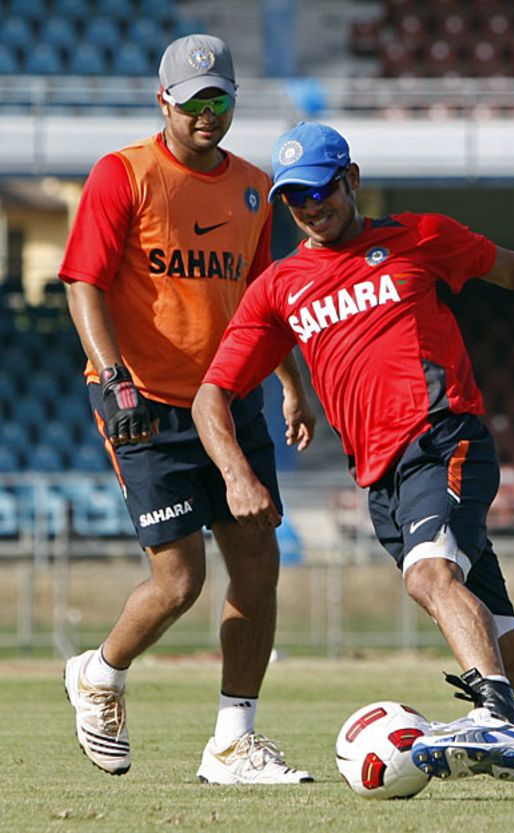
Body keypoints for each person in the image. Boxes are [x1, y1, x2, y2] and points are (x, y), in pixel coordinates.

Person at [191, 121, 514, 789]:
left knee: (429, 576)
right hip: (381, 482)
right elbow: (212, 396)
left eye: (321, 189)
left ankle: (495, 716)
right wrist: (236, 474)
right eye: (295, 197)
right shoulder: (278, 287)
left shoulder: (418, 236)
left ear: (350, 179)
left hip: (444, 440)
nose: (310, 206)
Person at [59, 34, 316, 785]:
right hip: (144, 402)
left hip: (232, 400)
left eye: (221, 98)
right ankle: (100, 672)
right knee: (179, 580)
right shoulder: (123, 174)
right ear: (163, 100)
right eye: (193, 99)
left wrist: (293, 384)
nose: (208, 112)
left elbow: (265, 302)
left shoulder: (254, 188)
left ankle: (234, 742)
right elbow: (83, 283)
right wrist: (115, 378)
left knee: (259, 563)